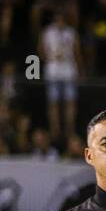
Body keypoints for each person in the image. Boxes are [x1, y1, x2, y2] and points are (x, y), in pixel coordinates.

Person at [40, 11, 79, 141]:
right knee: (53, 103)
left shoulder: (71, 33)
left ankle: (69, 129)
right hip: (52, 71)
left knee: (70, 102)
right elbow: (41, 50)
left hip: (69, 71)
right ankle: (54, 129)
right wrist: (49, 59)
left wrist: (80, 69)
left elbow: (76, 51)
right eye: (58, 19)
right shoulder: (47, 33)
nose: (60, 22)